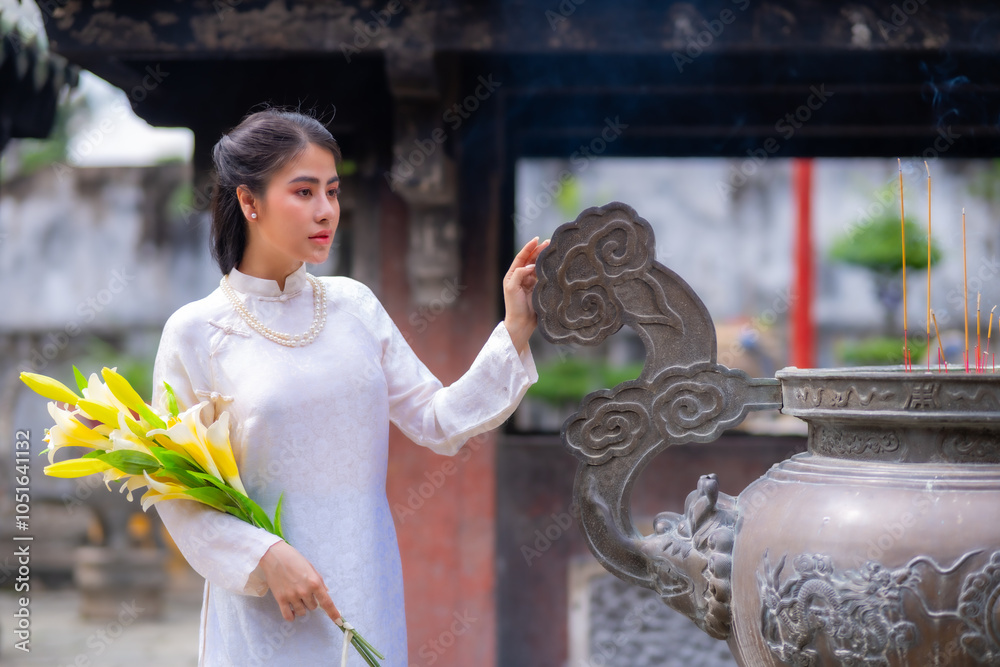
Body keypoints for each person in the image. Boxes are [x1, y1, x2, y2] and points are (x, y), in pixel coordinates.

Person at [151, 107, 547, 666]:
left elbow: (437, 420)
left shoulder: (353, 306)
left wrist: (513, 330)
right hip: (266, 608)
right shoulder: (195, 333)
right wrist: (263, 554)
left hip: (365, 591)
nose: (325, 212)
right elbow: (176, 489)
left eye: (332, 192)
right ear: (249, 201)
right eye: (304, 191)